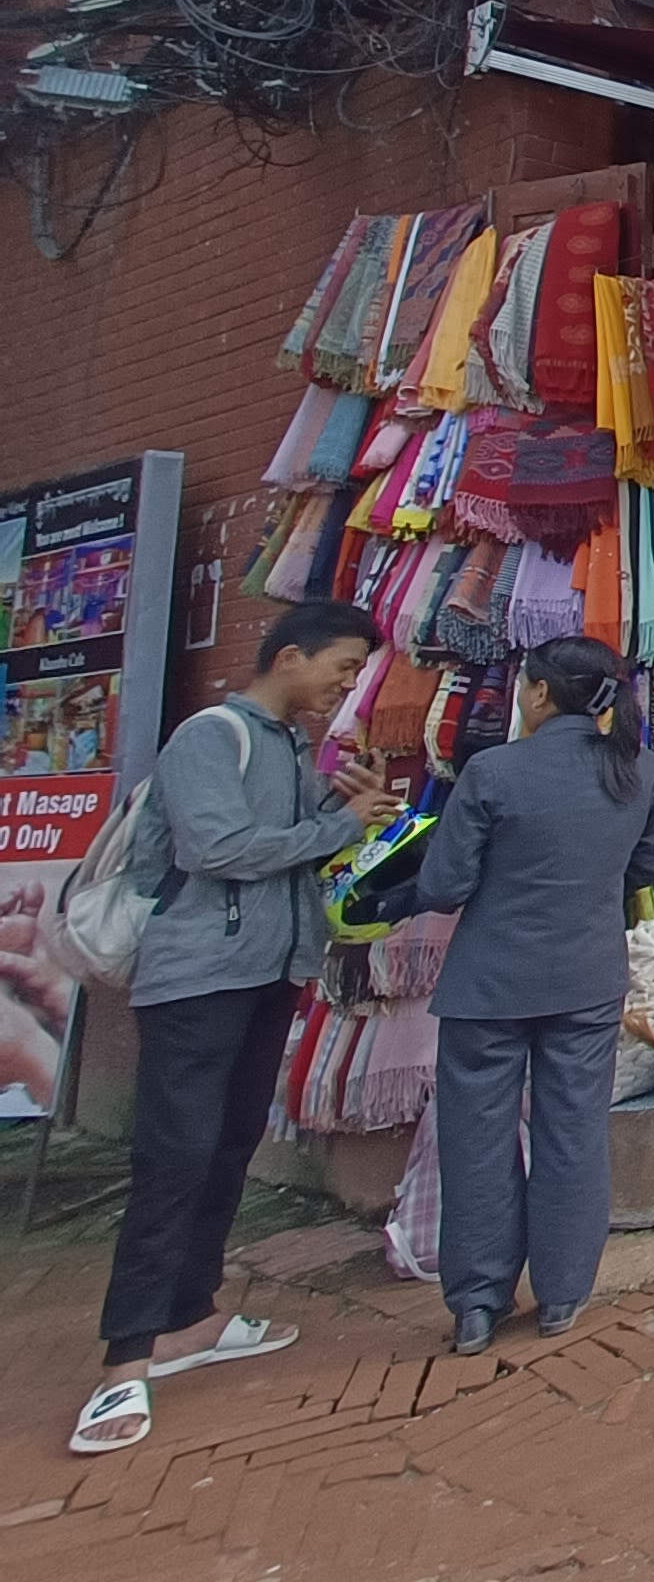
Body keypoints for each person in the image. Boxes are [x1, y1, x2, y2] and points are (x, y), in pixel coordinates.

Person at [75, 601, 394, 1458]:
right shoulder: (209, 738)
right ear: (290, 656)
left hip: (266, 971)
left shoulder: (294, 747)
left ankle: (192, 1317)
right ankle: (123, 1362)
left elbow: (285, 853)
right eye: (342, 665)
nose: (345, 684)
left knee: (227, 1146)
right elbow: (217, 848)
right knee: (172, 1155)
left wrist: (347, 813)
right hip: (195, 979)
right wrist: (335, 827)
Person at [412, 637, 654, 1356]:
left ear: (537, 693)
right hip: (586, 976)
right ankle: (562, 1293)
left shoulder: (493, 772)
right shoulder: (640, 772)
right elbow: (645, 870)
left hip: (488, 983)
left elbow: (442, 886)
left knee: (477, 1139)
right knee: (573, 1131)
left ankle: (477, 1301)